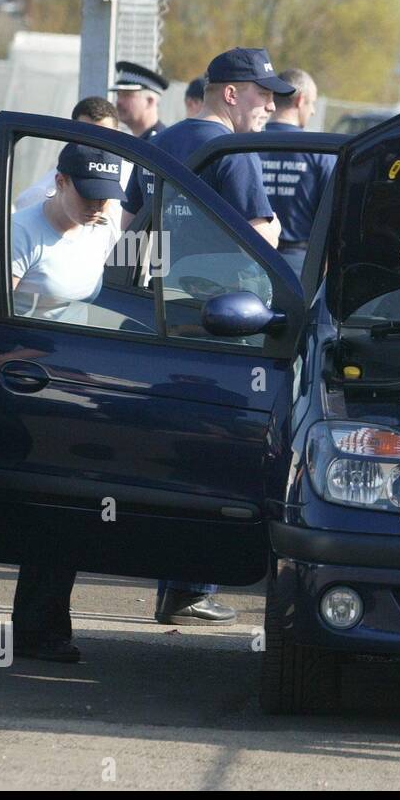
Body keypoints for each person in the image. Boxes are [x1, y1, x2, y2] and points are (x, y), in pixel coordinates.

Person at [0, 144, 130, 663]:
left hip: (69, 387)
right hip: (10, 383)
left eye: (106, 197)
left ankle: (40, 629)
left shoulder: (104, 229)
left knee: (63, 505)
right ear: (60, 183)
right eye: (89, 195)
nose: (98, 206)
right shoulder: (21, 230)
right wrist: (35, 361)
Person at [121, 47, 294, 624]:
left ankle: (178, 585)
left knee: (178, 457)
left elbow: (129, 232)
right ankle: (189, 587)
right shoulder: (233, 153)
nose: (270, 106)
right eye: (263, 94)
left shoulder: (161, 142)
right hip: (225, 324)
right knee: (220, 458)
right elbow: (262, 239)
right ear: (231, 94)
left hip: (164, 319)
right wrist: (273, 232)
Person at [260, 68, 336, 277]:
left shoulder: (244, 145)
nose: (313, 111)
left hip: (250, 258)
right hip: (301, 264)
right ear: (300, 100)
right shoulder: (319, 151)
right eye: (312, 103)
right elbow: (332, 216)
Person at [13, 97, 123, 211]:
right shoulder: (38, 196)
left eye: (103, 136)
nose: (94, 145)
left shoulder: (132, 179)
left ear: (118, 136)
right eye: (86, 135)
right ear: (71, 135)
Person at [111, 60, 169, 140]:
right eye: (118, 95)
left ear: (150, 101)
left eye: (127, 95)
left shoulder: (161, 142)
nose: (119, 101)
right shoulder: (140, 140)